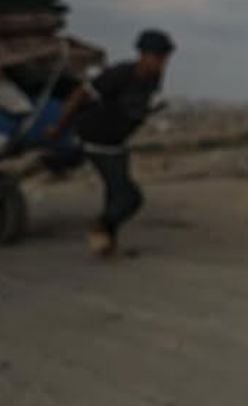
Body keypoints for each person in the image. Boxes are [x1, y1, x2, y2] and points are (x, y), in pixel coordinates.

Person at [45, 28, 175, 257]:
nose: (162, 63)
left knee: (115, 193)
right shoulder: (120, 74)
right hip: (95, 139)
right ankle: (100, 227)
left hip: (116, 143)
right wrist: (59, 127)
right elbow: (80, 95)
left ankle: (105, 243)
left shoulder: (153, 80)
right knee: (130, 197)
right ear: (143, 55)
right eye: (158, 57)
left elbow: (135, 108)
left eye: (165, 58)